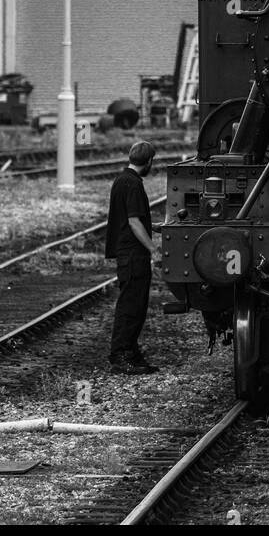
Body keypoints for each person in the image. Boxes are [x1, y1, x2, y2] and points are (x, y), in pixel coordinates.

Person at [105, 140, 160, 374]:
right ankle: (120, 355)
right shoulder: (134, 185)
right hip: (133, 254)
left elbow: (132, 218)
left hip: (126, 251)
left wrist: (153, 226)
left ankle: (131, 353)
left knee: (133, 304)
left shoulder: (121, 179)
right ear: (148, 161)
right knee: (131, 306)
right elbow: (134, 222)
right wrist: (153, 249)